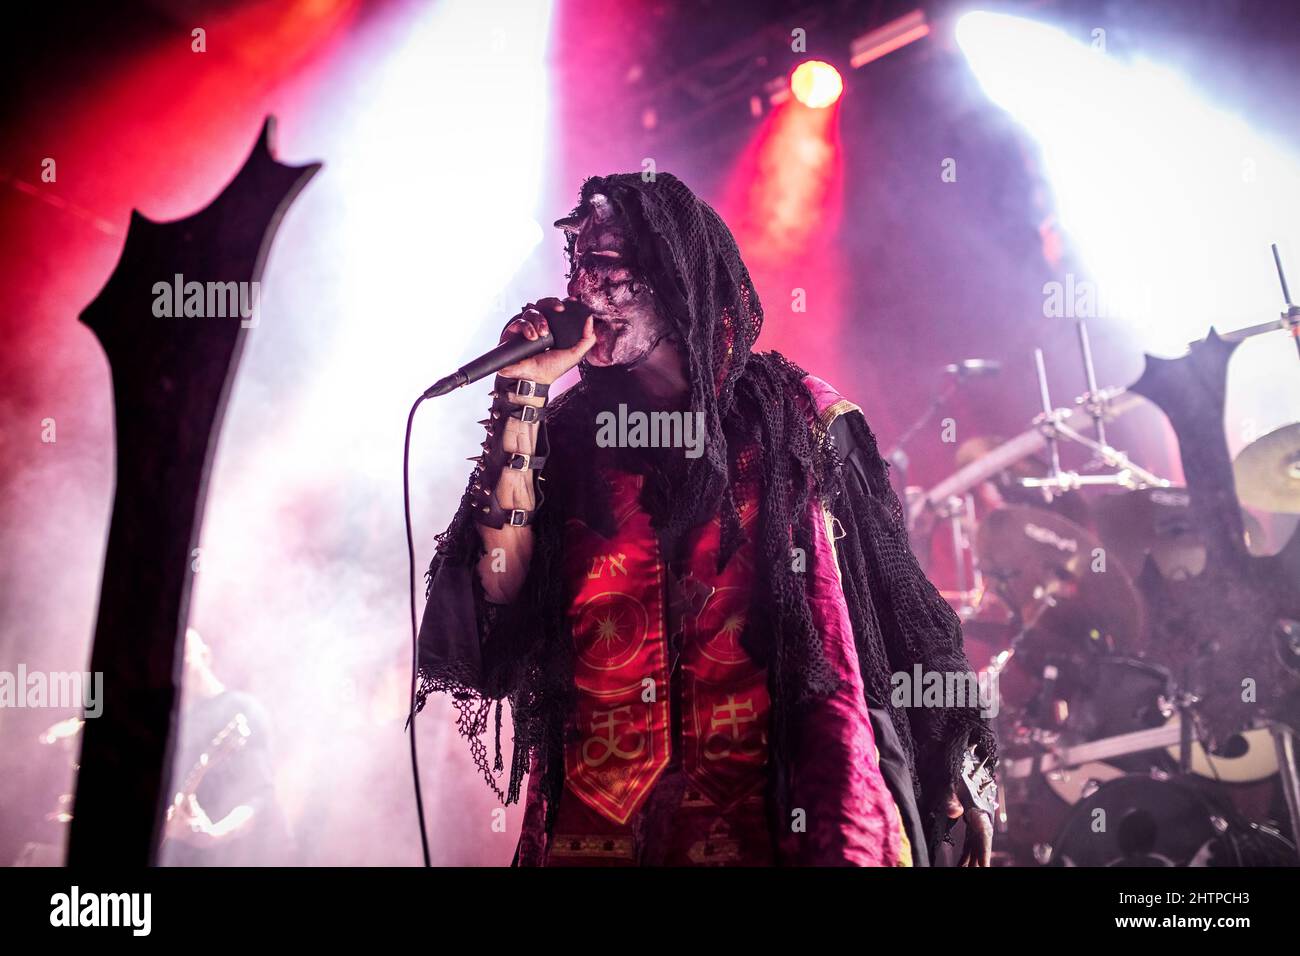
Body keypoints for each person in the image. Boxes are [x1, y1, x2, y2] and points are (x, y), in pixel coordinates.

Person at [416, 173, 996, 866]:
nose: (581, 295)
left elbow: (896, 603)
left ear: (672, 276)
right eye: (577, 269)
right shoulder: (566, 435)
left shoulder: (795, 416)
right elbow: (495, 601)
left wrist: (950, 768)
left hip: (778, 812)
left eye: (605, 270)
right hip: (603, 824)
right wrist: (521, 393)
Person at [161, 628, 289, 866]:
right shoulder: (175, 720)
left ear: (206, 656)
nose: (178, 660)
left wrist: (215, 834)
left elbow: (258, 795)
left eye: (185, 652)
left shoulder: (242, 708)